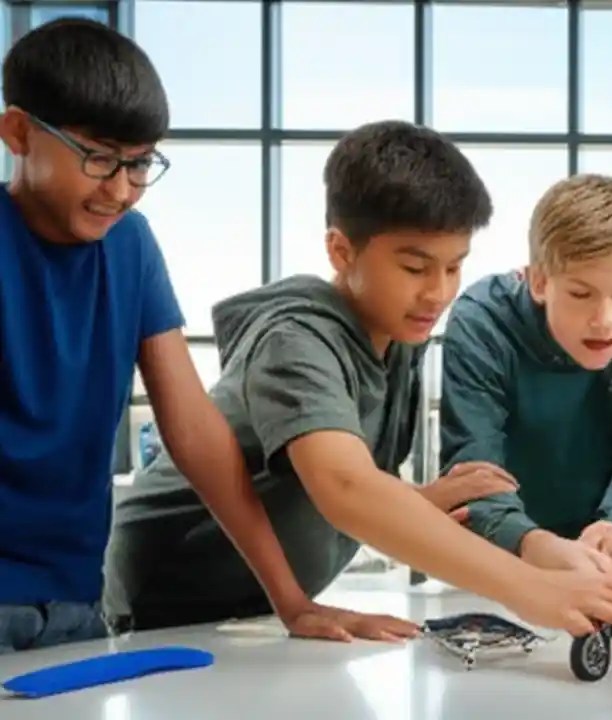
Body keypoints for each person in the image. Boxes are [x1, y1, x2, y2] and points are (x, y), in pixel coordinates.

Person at [104, 123, 612, 638]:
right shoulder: (296, 338)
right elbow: (345, 486)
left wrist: (417, 499)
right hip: (146, 609)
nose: (438, 293)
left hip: (237, 617)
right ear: (341, 250)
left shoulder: (397, 339)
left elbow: (324, 482)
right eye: (415, 268)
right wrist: (532, 588)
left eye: (454, 266)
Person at [0, 18, 391, 655]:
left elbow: (194, 431)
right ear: (18, 132)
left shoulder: (130, 247)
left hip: (74, 607)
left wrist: (289, 600)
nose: (122, 190)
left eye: (140, 163)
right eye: (99, 158)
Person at [439, 173, 612, 577]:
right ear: (538, 280)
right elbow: (473, 474)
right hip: (497, 563)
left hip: (606, 558)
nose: (605, 322)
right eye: (580, 294)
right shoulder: (481, 319)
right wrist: (531, 544)